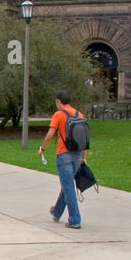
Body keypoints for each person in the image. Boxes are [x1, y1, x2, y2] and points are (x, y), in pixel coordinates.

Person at [38, 91, 88, 230]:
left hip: (64, 155)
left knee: (68, 186)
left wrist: (42, 149)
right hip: (77, 154)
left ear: (59, 101)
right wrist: (84, 157)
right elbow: (84, 138)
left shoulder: (58, 115)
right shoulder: (79, 115)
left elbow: (50, 135)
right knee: (67, 185)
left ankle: (74, 219)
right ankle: (57, 212)